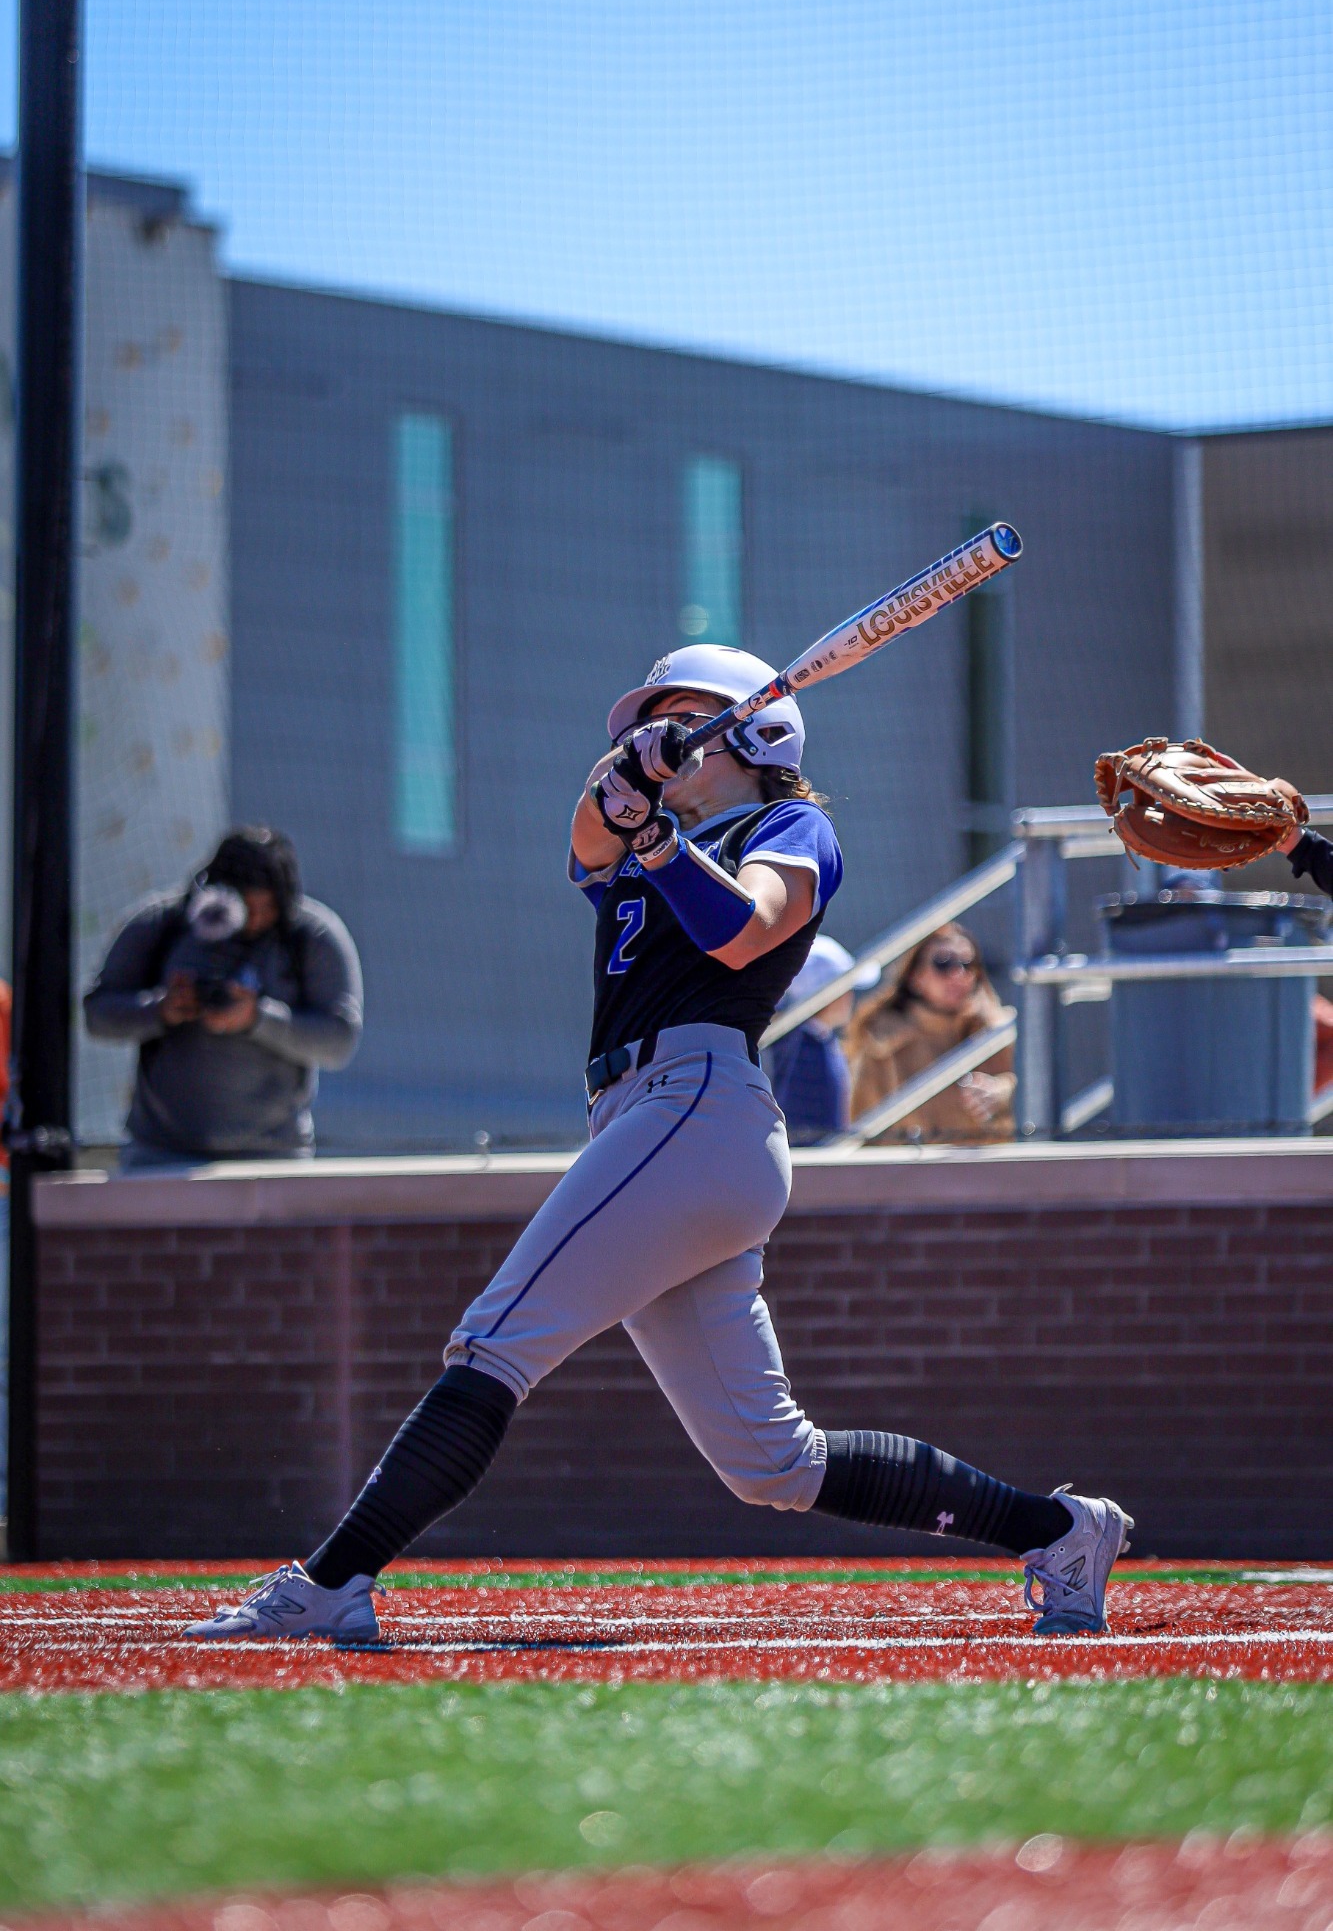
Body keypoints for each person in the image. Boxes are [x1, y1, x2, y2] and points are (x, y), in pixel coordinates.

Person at [184, 647, 1130, 1646]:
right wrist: (633, 786)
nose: (652, 736)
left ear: (752, 731)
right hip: (653, 1122)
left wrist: (662, 832)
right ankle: (1060, 1528)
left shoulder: (789, 821)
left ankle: (332, 1577)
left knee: (493, 1340)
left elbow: (746, 929)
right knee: (773, 1461)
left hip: (697, 1104)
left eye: (676, 717)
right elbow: (589, 836)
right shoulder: (645, 836)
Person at [84, 827, 363, 1167]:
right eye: (246, 906)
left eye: (268, 907)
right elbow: (97, 1015)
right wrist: (162, 1010)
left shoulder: (312, 937)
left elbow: (339, 1042)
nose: (257, 918)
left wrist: (257, 1018)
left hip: (273, 1158)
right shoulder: (162, 924)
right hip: (160, 1153)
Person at [844, 922, 1015, 1145]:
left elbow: (1037, 1111)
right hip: (912, 1175)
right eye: (943, 964)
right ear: (915, 977)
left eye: (968, 964)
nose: (958, 974)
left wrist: (1004, 1095)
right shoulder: (883, 1042)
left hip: (992, 1174)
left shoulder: (997, 1032)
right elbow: (864, 1135)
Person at [764, 934, 880, 1143]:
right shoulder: (798, 1047)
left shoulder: (820, 1039)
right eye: (845, 987)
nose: (851, 996)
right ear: (824, 993)